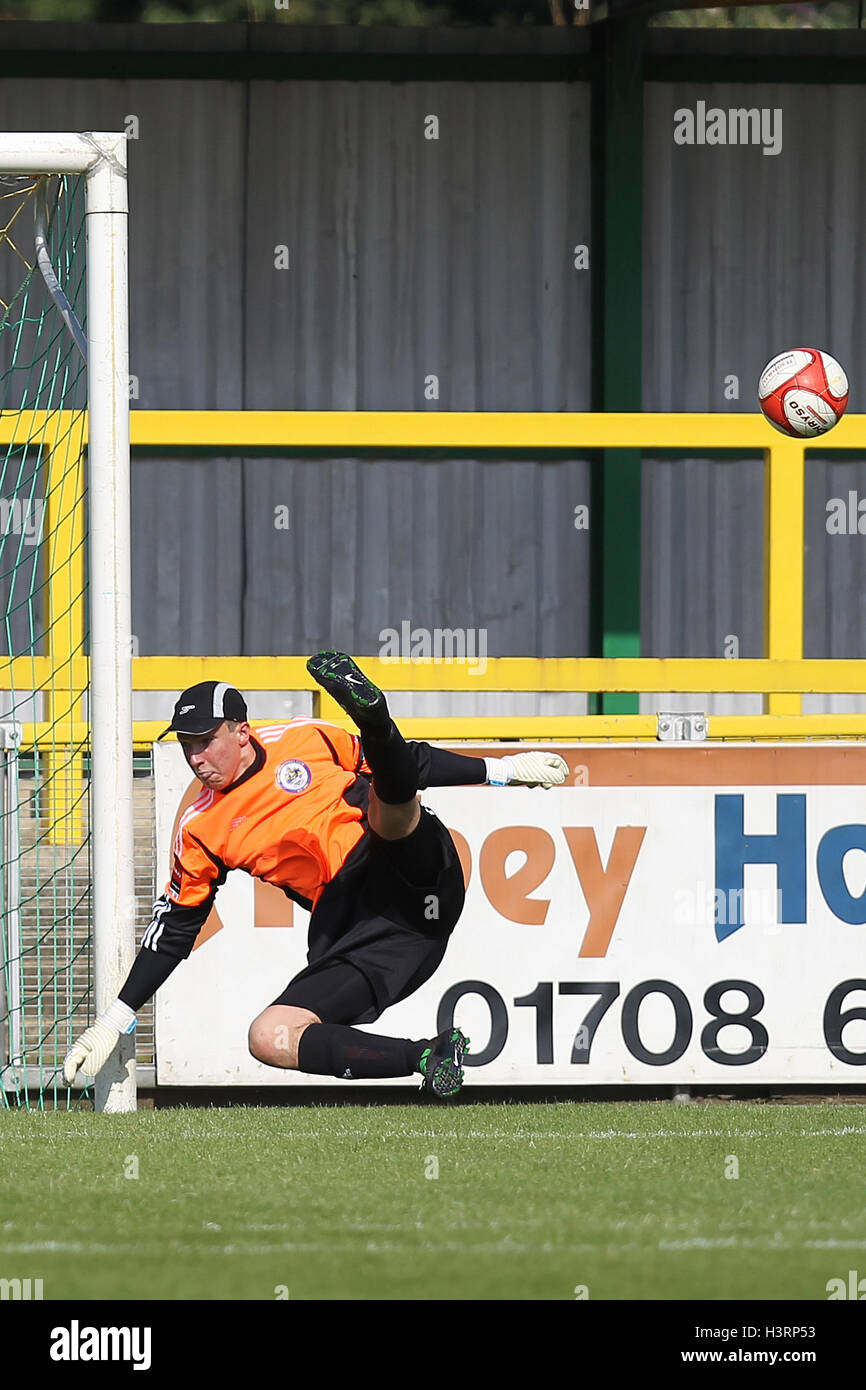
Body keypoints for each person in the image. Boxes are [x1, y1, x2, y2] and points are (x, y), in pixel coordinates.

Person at [63, 652, 568, 1099]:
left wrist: (502, 769)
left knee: (388, 804)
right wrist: (114, 1019)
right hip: (366, 932)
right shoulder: (200, 829)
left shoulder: (304, 738)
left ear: (241, 731)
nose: (195, 757)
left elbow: (408, 763)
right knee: (269, 1034)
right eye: (186, 745)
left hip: (409, 870)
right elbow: (173, 933)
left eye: (206, 741)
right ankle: (429, 1057)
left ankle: (374, 717)